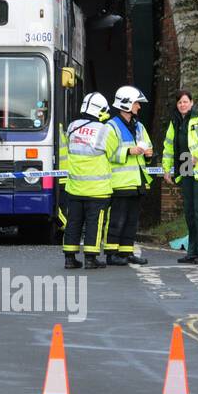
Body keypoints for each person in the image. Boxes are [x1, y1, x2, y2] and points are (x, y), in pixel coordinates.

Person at [160, 89, 198, 265]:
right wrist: (166, 169)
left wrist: (197, 153)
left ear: (192, 102)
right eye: (179, 102)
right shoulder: (176, 121)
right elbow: (169, 145)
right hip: (186, 165)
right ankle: (193, 251)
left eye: (185, 101)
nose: (182, 105)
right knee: (190, 213)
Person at [61, 92, 119, 270]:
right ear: (101, 110)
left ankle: (70, 258)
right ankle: (90, 259)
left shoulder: (72, 127)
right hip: (97, 189)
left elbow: (68, 151)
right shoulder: (105, 130)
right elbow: (114, 154)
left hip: (75, 187)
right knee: (95, 223)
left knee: (73, 222)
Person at [105, 86, 153, 266]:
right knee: (117, 220)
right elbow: (108, 153)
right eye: (136, 103)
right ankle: (111, 253)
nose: (139, 107)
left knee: (132, 221)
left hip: (137, 182)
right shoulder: (111, 127)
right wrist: (129, 151)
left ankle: (126, 253)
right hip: (120, 183)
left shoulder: (139, 126)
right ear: (126, 104)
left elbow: (147, 145)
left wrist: (148, 154)